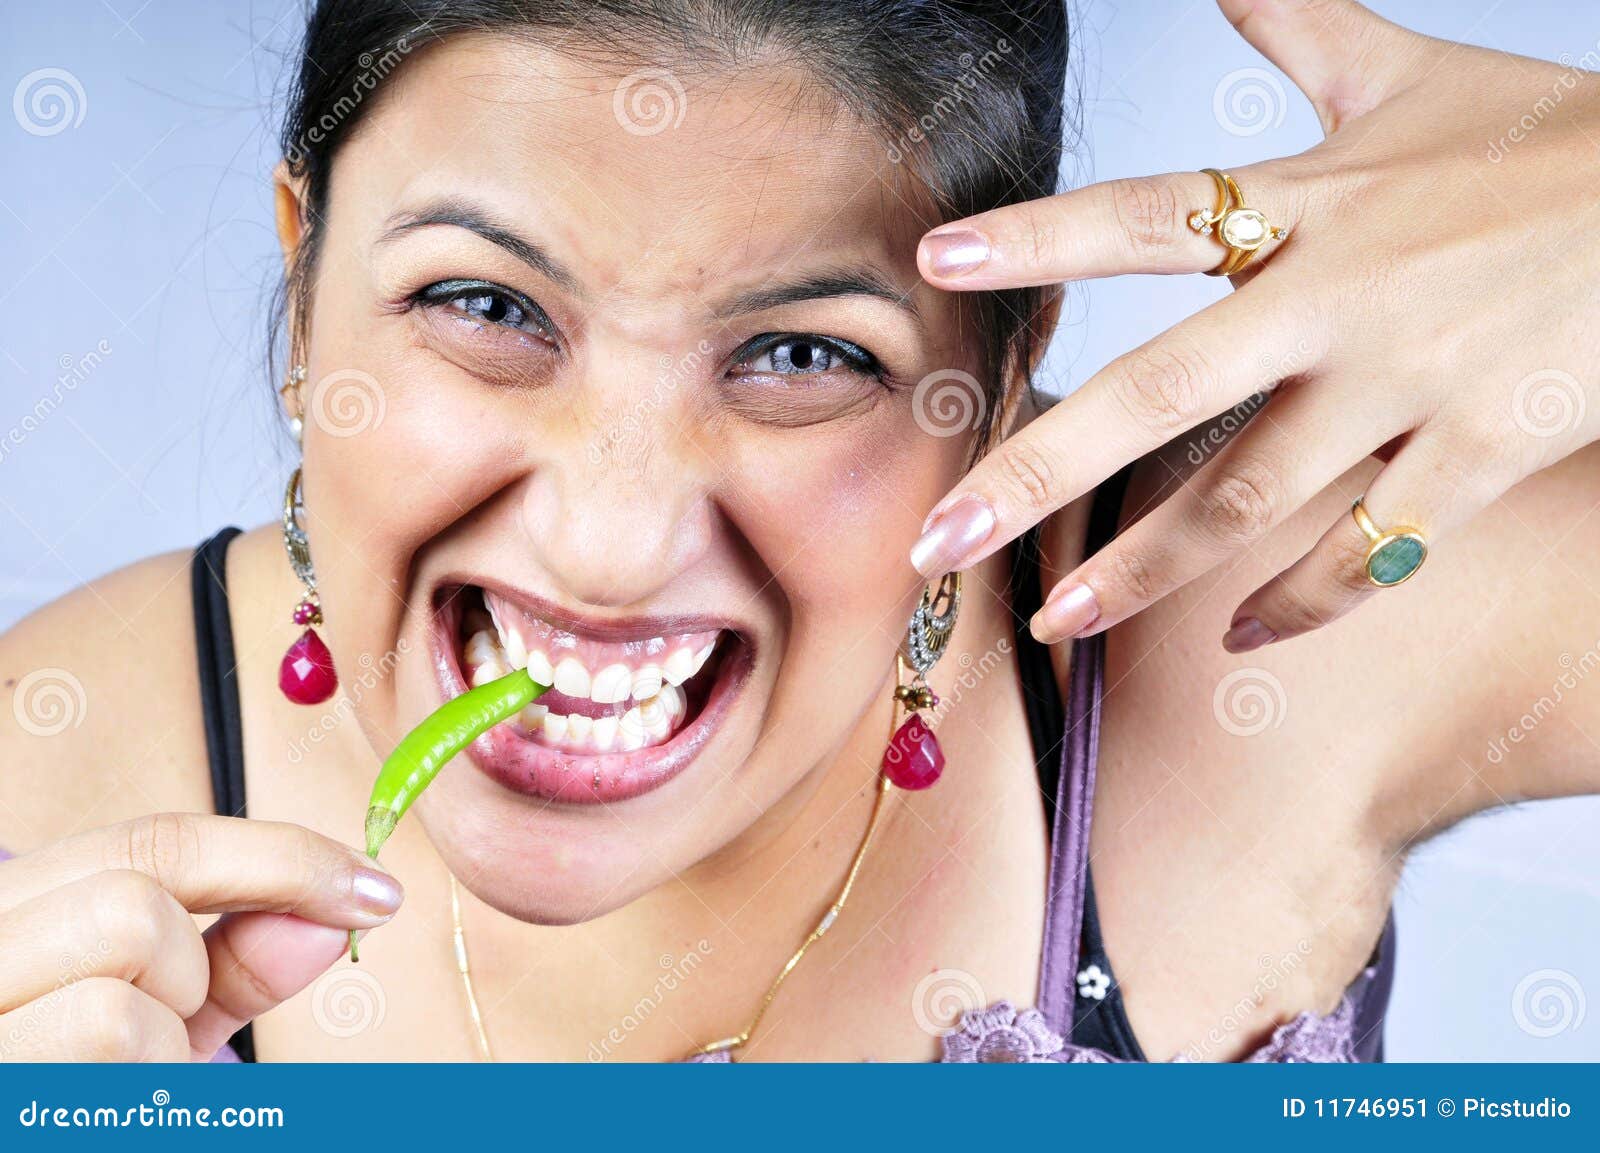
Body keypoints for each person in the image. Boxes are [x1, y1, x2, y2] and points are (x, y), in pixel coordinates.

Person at [0, 0, 1595, 1062]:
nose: (611, 543)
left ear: (1008, 363)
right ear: (305, 273)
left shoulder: (1264, 619)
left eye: (804, 354)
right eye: (482, 305)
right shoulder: (51, 775)